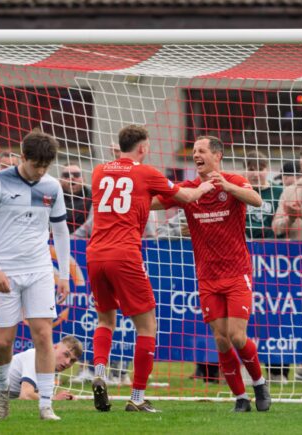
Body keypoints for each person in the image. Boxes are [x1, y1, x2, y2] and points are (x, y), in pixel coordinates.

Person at [87, 125, 213, 413]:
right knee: (147, 327)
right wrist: (203, 187)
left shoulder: (99, 172)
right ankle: (137, 397)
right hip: (124, 255)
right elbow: (185, 197)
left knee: (105, 321)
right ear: (143, 148)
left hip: (94, 254)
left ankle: (100, 371)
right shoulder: (146, 172)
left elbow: (132, 194)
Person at [153, 136, 271, 412]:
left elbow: (256, 200)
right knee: (220, 339)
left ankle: (259, 382)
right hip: (207, 275)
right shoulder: (188, 189)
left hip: (237, 271)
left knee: (237, 336)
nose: (196, 155)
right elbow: (152, 203)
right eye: (194, 151)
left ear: (217, 156)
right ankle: (240, 398)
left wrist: (227, 187)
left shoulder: (233, 181)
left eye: (202, 151)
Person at [0, 129, 71, 421]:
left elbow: (60, 230)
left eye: (45, 166)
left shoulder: (52, 186)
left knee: (44, 334)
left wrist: (64, 275)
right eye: (36, 165)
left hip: (40, 270)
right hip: (6, 271)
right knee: (4, 341)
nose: (40, 171)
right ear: (22, 157)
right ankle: (2, 389)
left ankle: (45, 404)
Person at [244, 151, 283, 240]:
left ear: (267, 170)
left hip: (273, 242)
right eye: (251, 170)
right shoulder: (239, 191)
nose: (256, 174)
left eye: (260, 169)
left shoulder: (279, 191)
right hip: (245, 241)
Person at [60, 164, 92, 233]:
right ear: (60, 180)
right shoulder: (53, 197)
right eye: (66, 175)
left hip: (86, 238)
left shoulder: (93, 197)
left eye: (76, 175)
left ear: (84, 179)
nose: (71, 178)